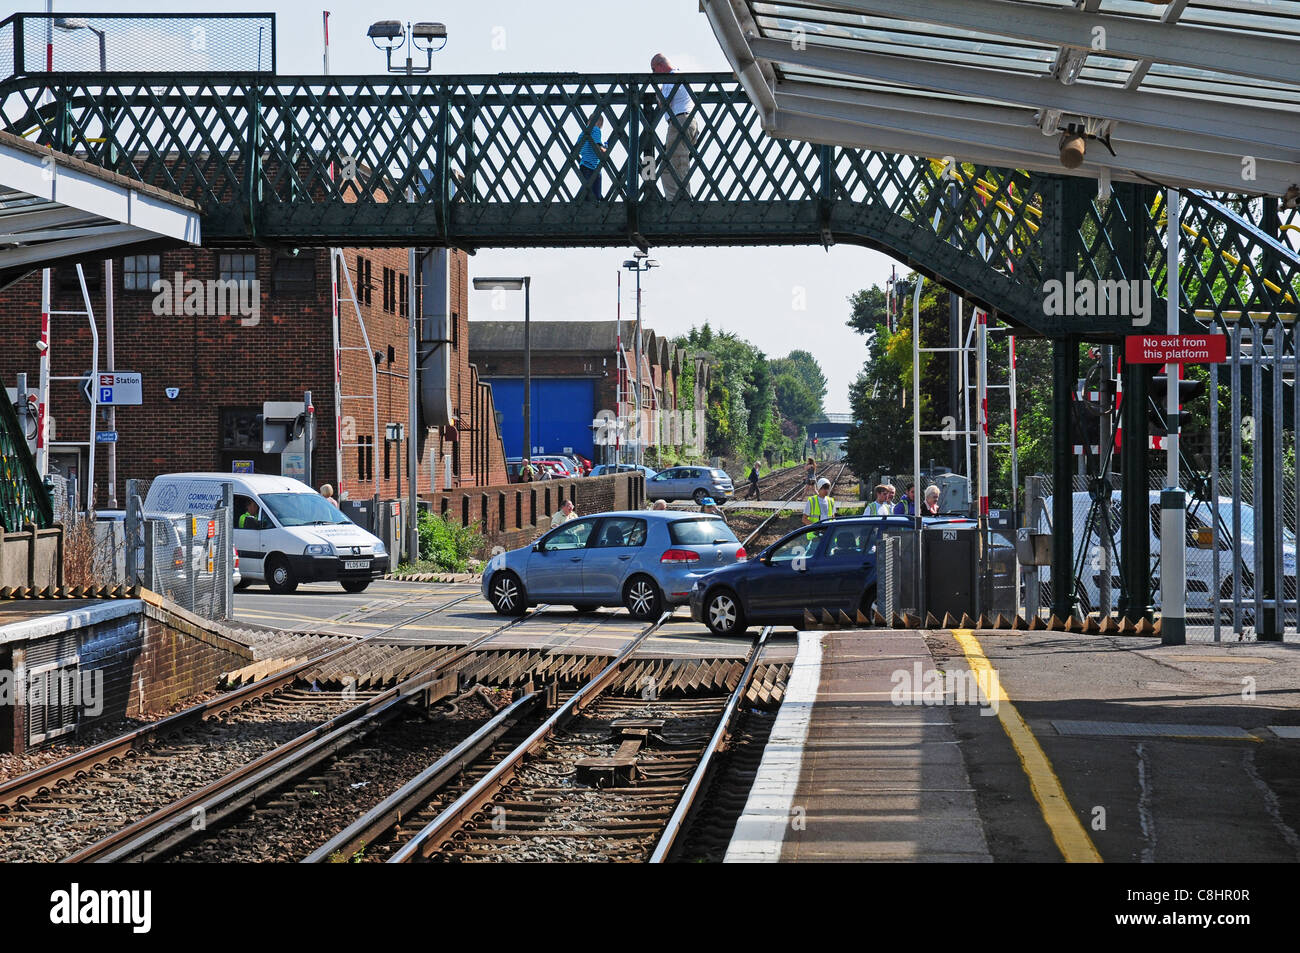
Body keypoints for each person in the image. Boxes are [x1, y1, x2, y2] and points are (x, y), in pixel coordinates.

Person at [651, 54, 699, 201]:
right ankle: (681, 198)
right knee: (679, 162)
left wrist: (658, 94)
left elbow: (664, 102)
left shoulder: (671, 78)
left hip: (679, 121)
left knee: (672, 166)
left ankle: (677, 202)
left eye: (653, 70)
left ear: (659, 66)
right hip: (688, 121)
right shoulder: (678, 75)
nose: (653, 74)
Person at [577, 113, 606, 200]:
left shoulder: (583, 133)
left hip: (583, 163)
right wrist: (604, 150)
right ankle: (596, 203)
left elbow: (578, 148)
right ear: (600, 123)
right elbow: (596, 145)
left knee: (586, 187)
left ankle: (580, 201)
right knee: (595, 191)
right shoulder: (596, 130)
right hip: (592, 165)